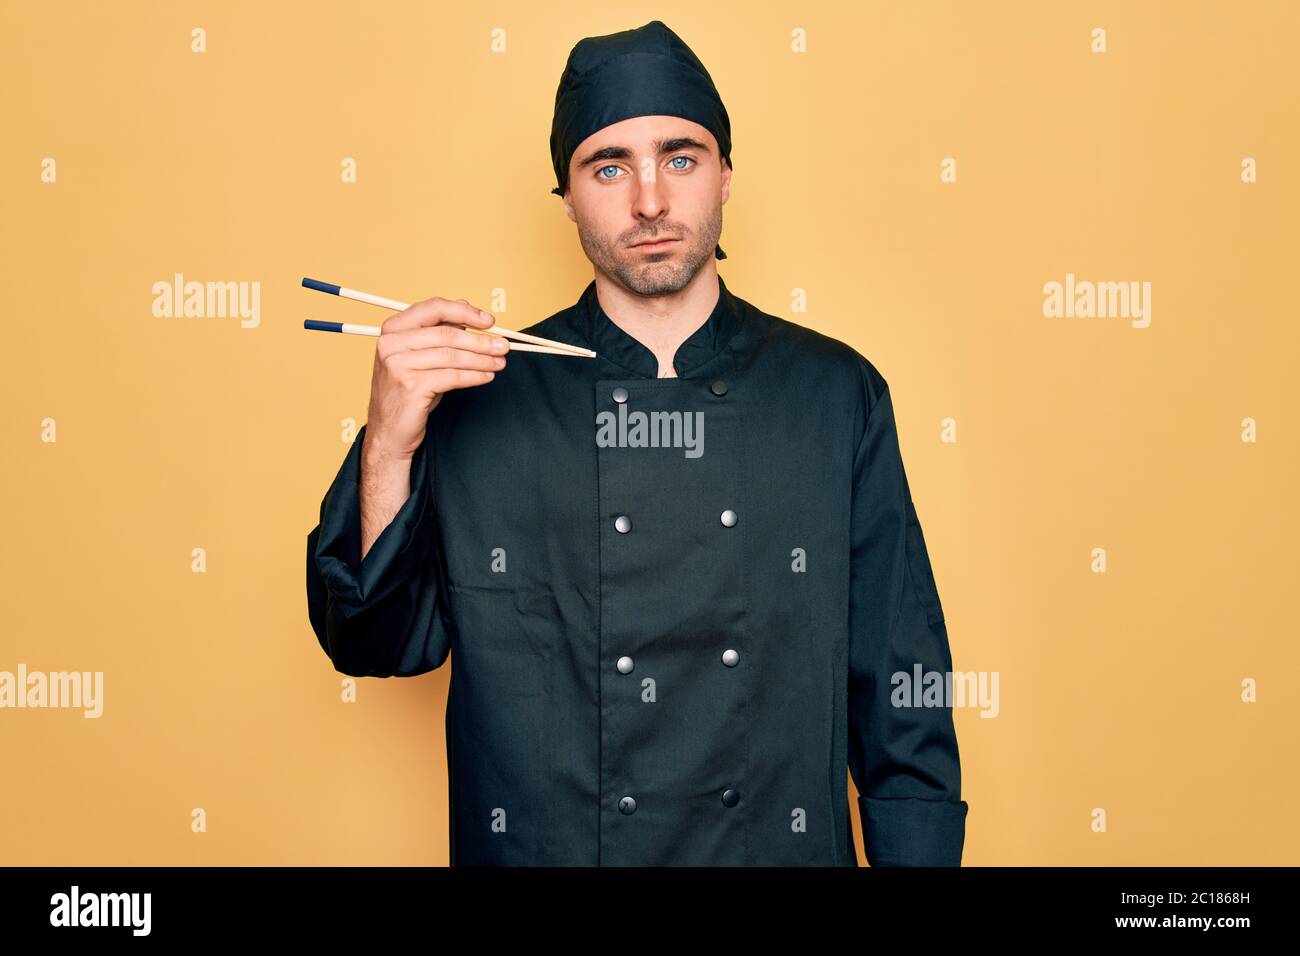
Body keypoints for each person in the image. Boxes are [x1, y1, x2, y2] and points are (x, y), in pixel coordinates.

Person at [306, 19, 968, 866]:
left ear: (726, 176)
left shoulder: (835, 394)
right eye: (608, 166)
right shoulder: (477, 398)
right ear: (568, 194)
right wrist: (389, 443)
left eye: (680, 158)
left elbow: (902, 690)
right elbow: (374, 645)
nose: (650, 200)